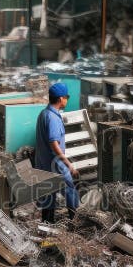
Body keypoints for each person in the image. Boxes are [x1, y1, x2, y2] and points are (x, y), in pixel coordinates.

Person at [35, 82, 79, 223]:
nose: (67, 100)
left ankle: (47, 224)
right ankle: (76, 221)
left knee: (49, 195)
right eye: (67, 97)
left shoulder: (44, 114)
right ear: (61, 99)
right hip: (56, 164)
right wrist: (69, 165)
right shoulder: (53, 118)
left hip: (44, 164)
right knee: (70, 190)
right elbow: (54, 144)